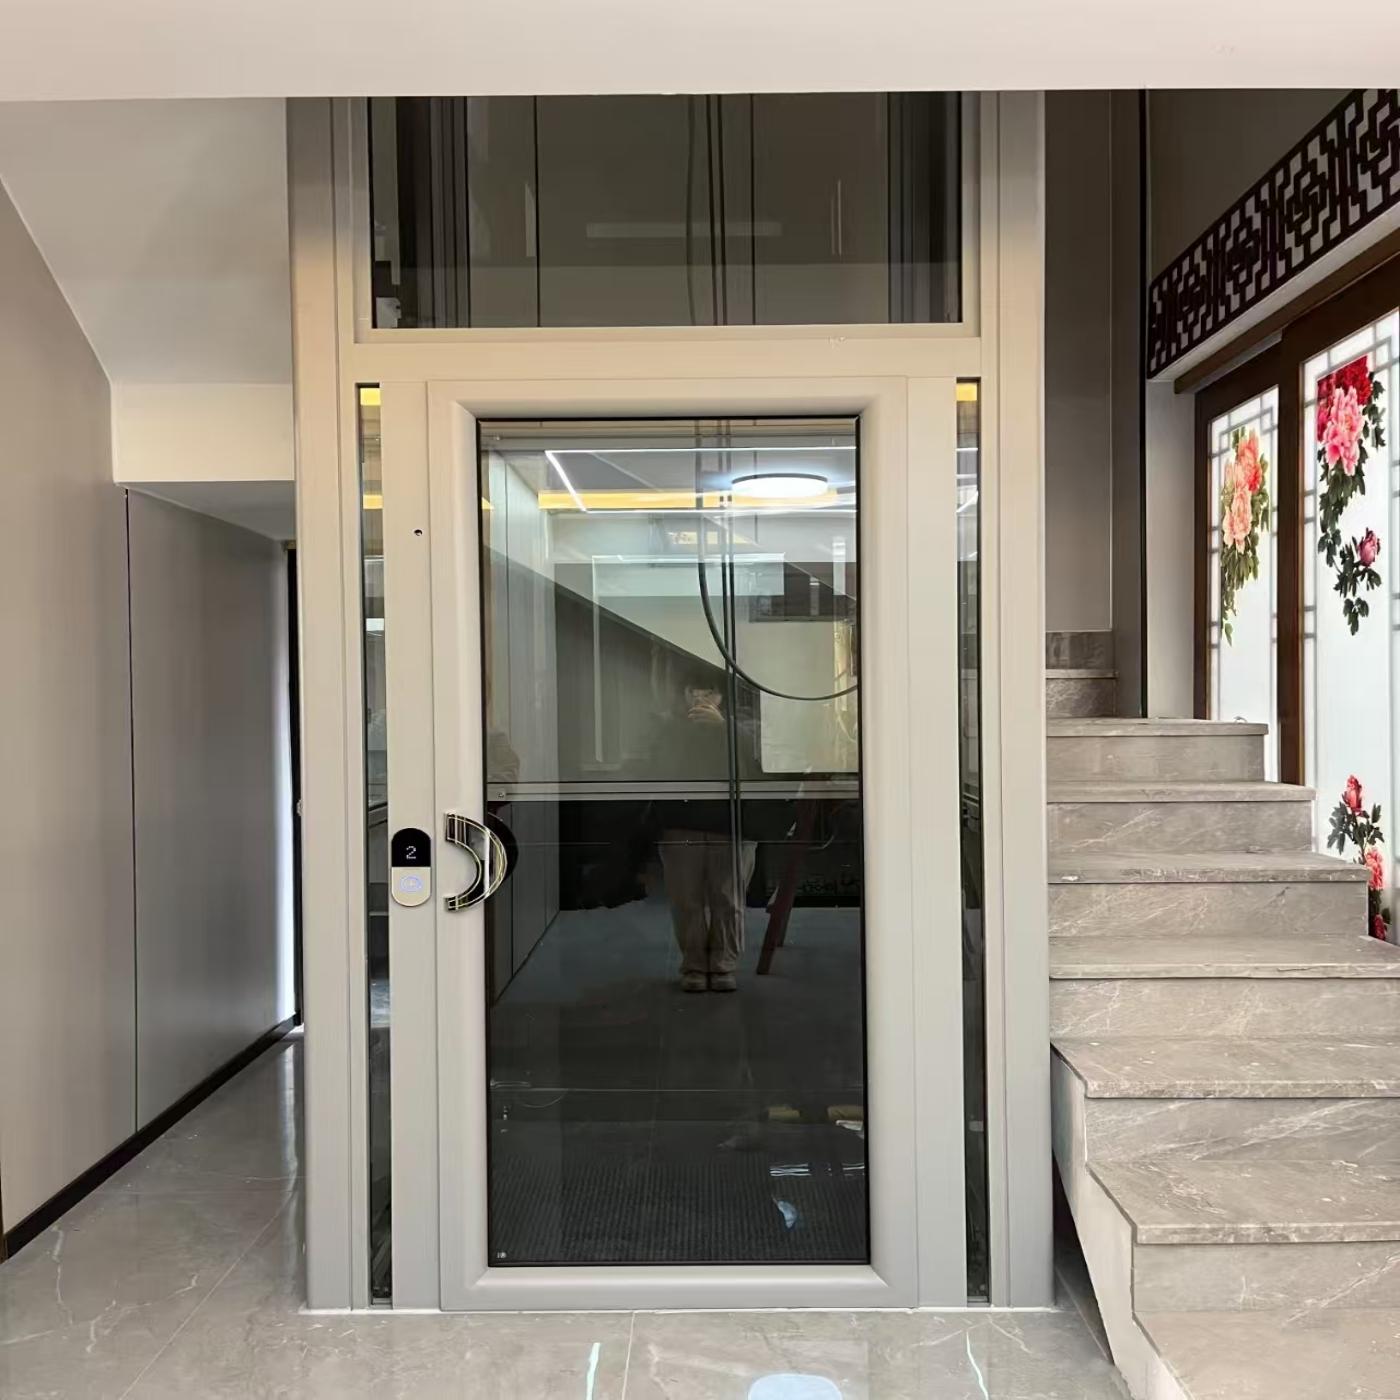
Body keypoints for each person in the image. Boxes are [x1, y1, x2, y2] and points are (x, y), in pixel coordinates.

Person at [648, 675, 757, 993]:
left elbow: (754, 766)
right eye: (694, 690)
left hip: (731, 821)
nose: (701, 697)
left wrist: (723, 729)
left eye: (710, 691)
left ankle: (724, 964)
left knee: (728, 898)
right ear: (683, 693)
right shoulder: (668, 727)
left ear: (722, 696)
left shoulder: (743, 727)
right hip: (680, 820)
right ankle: (694, 964)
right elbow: (659, 767)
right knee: (686, 898)